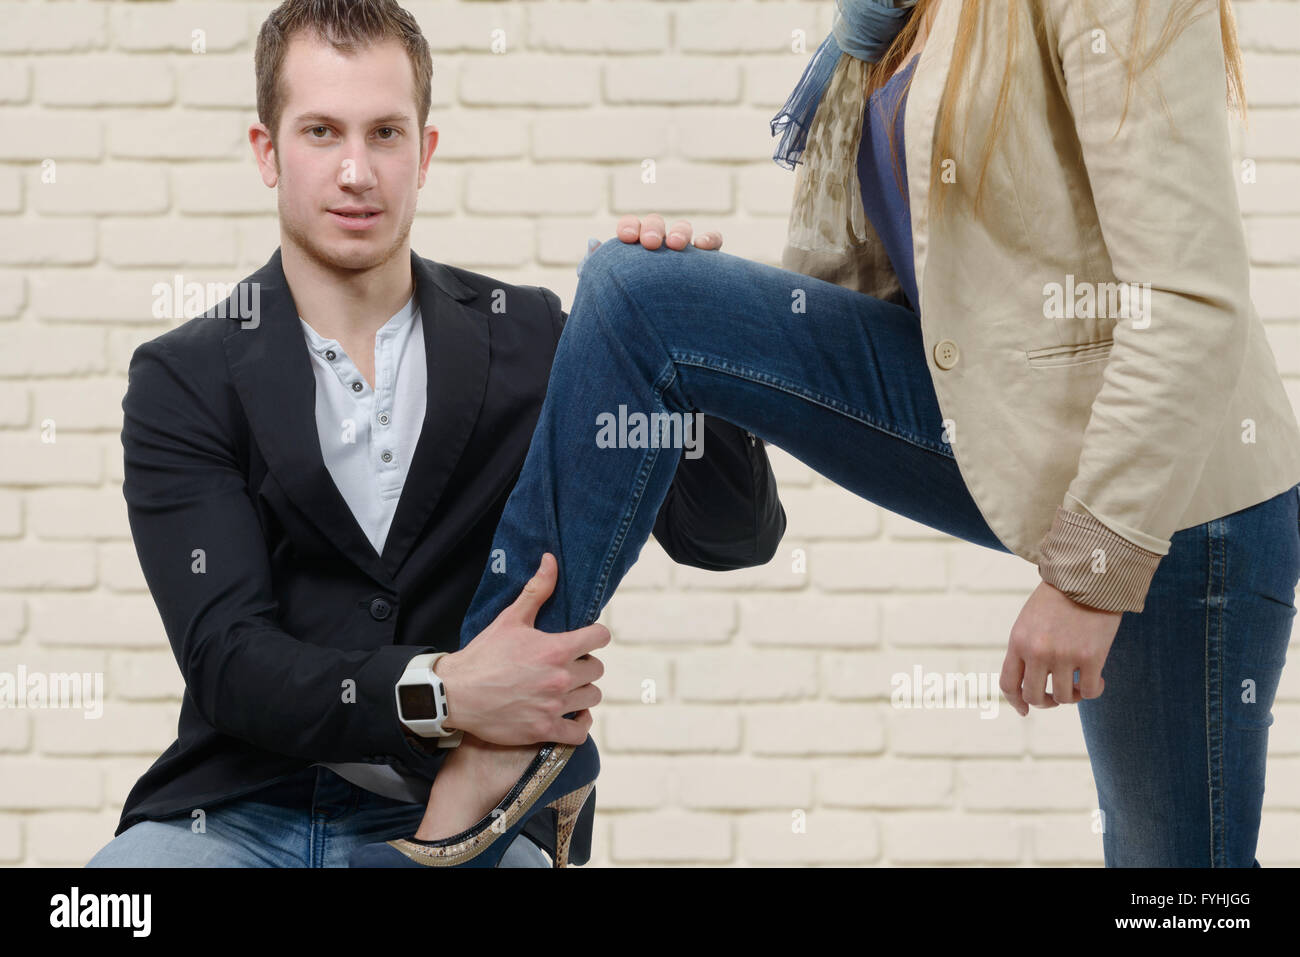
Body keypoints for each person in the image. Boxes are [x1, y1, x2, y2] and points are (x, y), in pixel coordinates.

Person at [351, 0, 1300, 868]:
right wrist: (721, 330)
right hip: (997, 408)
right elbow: (887, 277)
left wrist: (1086, 576)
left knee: (1181, 886)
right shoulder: (895, 13)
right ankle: (510, 722)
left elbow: (1191, 297)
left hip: (1182, 499)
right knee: (641, 293)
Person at [85, 0, 785, 868]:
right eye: (320, 133)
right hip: (232, 813)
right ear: (267, 152)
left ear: (426, 149)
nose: (356, 170)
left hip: (469, 820)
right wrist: (443, 691)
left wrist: (687, 333)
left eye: (385, 132)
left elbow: (731, 538)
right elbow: (230, 661)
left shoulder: (533, 338)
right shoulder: (182, 376)